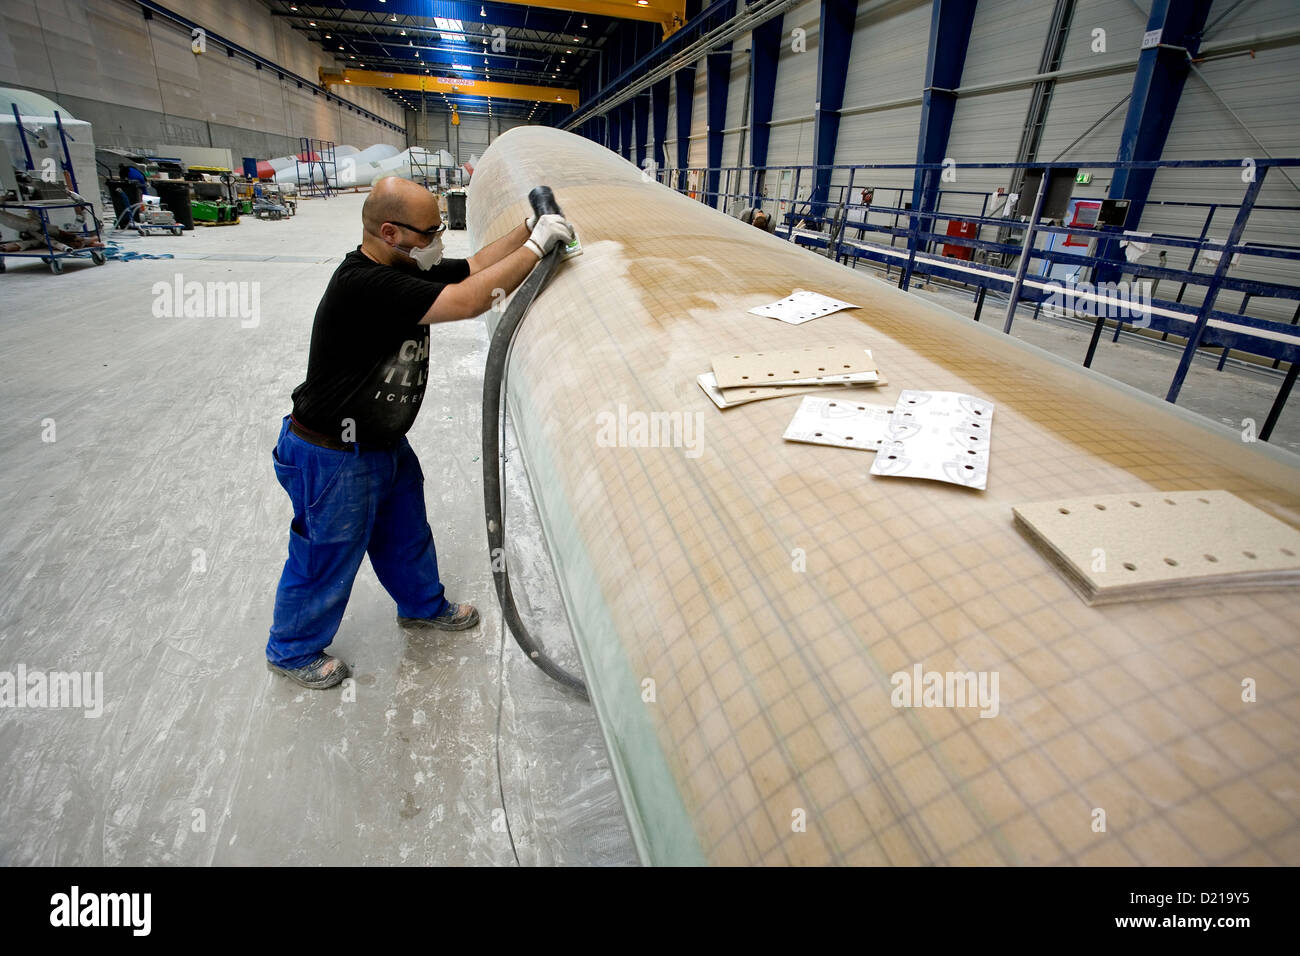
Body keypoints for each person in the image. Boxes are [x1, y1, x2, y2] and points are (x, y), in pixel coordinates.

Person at [265, 176, 574, 689]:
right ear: (391, 232)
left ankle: (421, 605)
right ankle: (292, 649)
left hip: (382, 443)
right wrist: (540, 247)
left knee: (406, 534)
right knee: (325, 554)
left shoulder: (406, 263)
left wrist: (526, 229)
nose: (439, 241)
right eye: (430, 232)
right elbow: (472, 299)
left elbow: (474, 268)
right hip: (333, 454)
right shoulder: (363, 284)